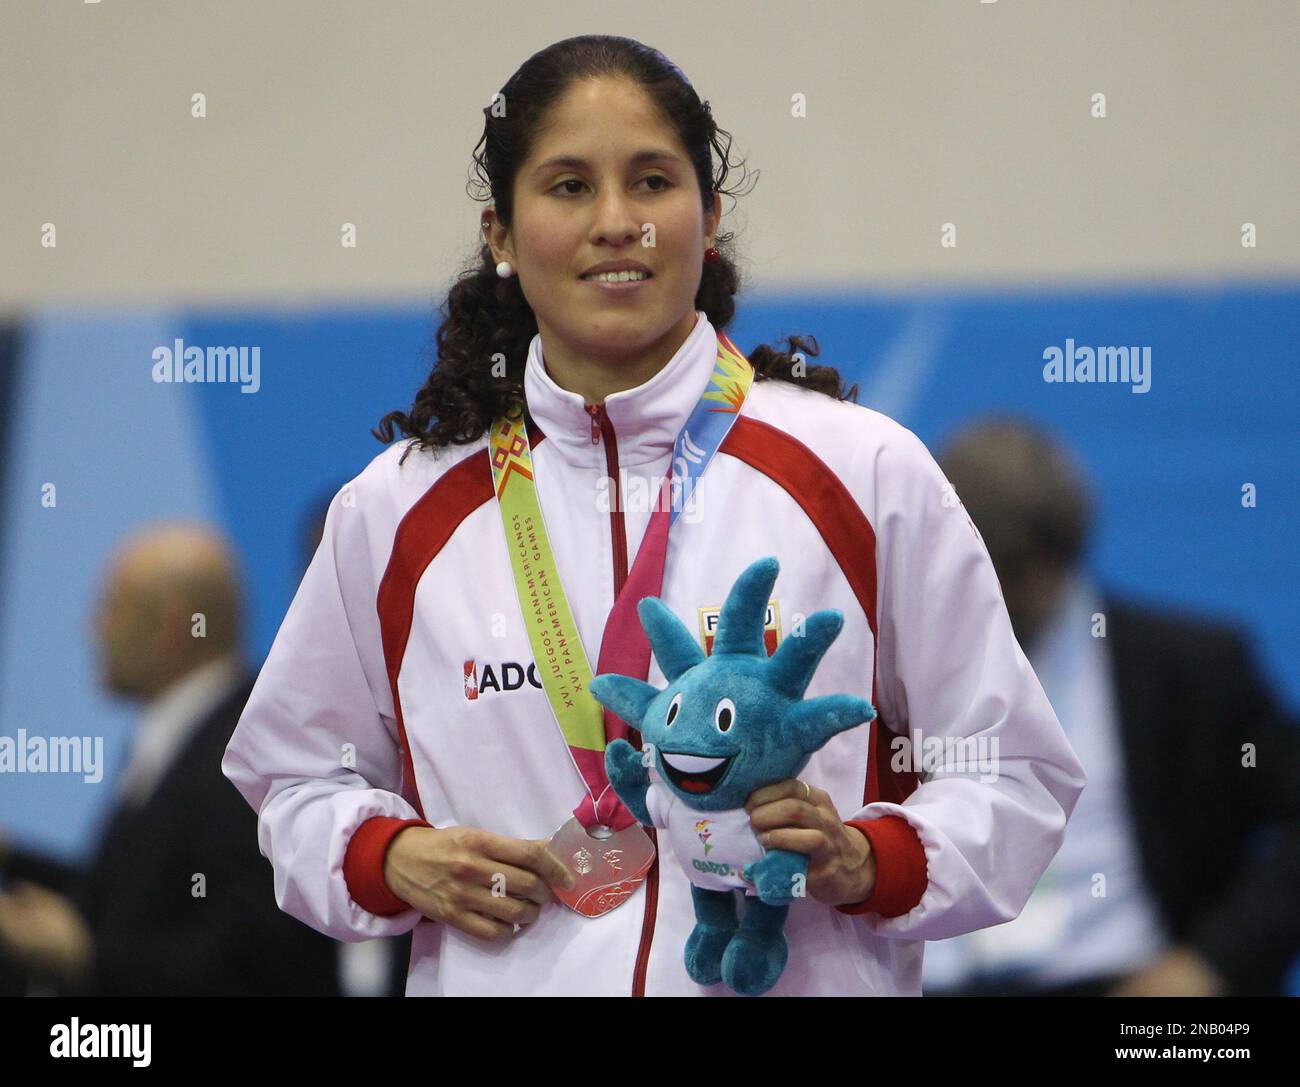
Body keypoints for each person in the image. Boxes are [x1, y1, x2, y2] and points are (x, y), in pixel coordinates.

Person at [221, 34, 1086, 996]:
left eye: (652, 181)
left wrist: (865, 858)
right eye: (567, 186)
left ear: (709, 215)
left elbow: (1014, 775)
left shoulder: (864, 471)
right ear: (500, 235)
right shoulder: (396, 509)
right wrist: (386, 854)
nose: (616, 221)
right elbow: (292, 778)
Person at [923, 418, 1300, 997]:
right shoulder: (869, 663)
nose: (992, 593)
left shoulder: (1190, 671)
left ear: (1060, 558)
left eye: (1011, 571)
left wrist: (1212, 965)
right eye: (975, 570)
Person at [0, 523, 341, 996]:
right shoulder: (183, 733)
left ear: (169, 628)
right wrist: (15, 858)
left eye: (109, 607)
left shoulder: (250, 752)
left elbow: (259, 957)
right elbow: (132, 899)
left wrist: (84, 954)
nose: (92, 628)